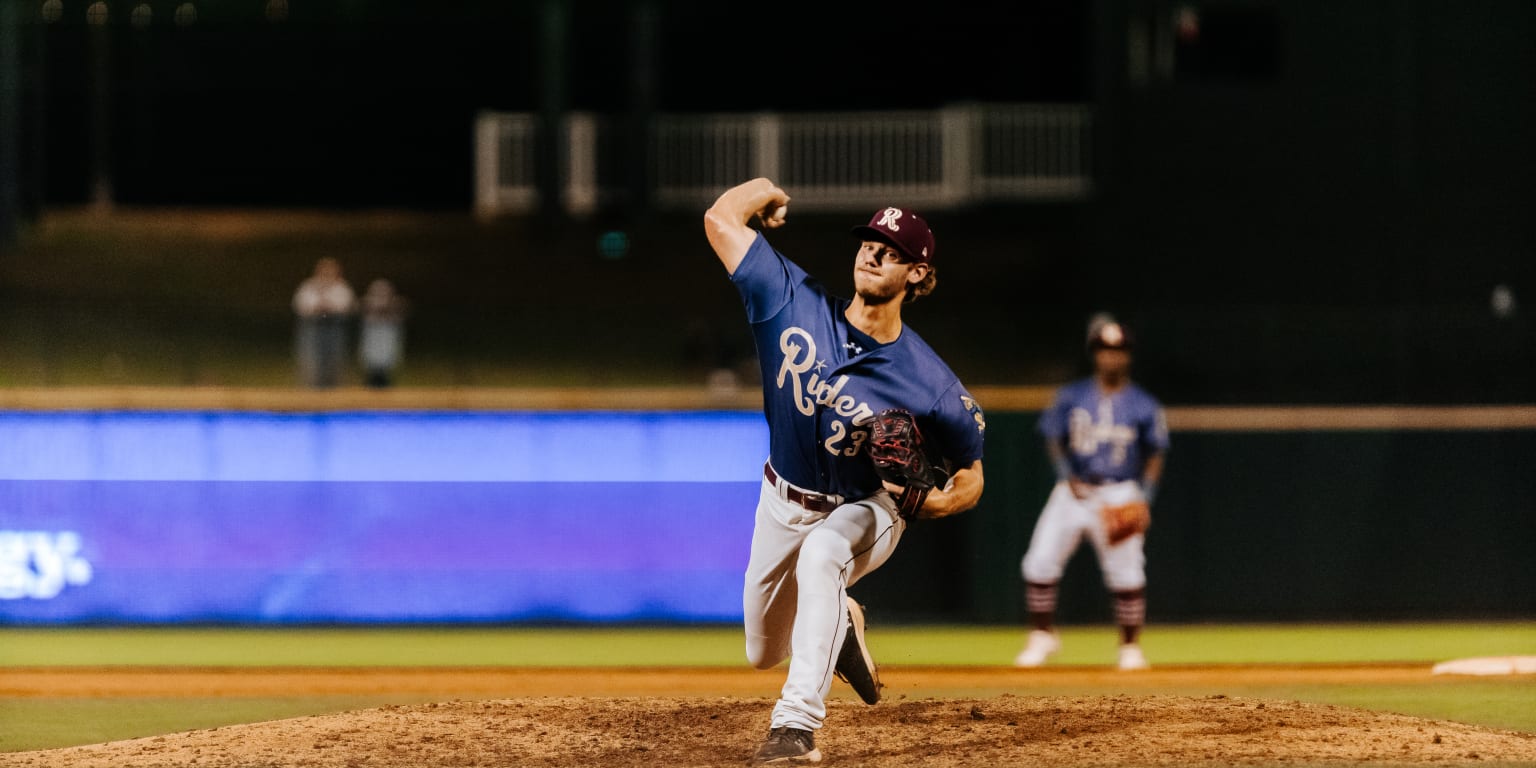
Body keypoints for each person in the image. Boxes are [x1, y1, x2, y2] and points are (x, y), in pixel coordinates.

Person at [703, 178, 987, 765]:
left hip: (867, 509)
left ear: (917, 274)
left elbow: (972, 473)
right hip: (780, 499)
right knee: (762, 650)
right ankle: (845, 623)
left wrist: (934, 504)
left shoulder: (930, 382)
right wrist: (767, 191)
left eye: (892, 250)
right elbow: (720, 219)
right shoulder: (791, 300)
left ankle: (796, 727)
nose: (873, 252)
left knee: (823, 556)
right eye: (869, 242)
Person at [1014, 316, 1169, 671]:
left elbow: (1156, 451)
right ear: (1094, 353)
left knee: (1127, 572)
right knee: (1038, 562)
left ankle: (1130, 647)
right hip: (1074, 491)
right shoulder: (1072, 395)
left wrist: (1144, 495)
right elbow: (1053, 436)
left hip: (1119, 491)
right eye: (1104, 349)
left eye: (1118, 350)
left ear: (1127, 355)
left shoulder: (1143, 404)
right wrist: (1066, 475)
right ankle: (1042, 636)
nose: (1111, 357)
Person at [292, 257, 357, 388]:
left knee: (335, 363)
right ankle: (311, 393)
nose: (327, 273)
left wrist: (329, 306)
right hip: (313, 328)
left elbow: (347, 305)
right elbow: (299, 305)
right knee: (311, 363)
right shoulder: (309, 286)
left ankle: (334, 395)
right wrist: (317, 307)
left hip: (334, 327)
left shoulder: (341, 287)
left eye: (331, 270)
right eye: (324, 270)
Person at [358, 278, 407, 388]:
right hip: (372, 351)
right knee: (371, 375)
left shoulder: (395, 304)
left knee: (386, 375)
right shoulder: (367, 304)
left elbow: (402, 311)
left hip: (387, 350)